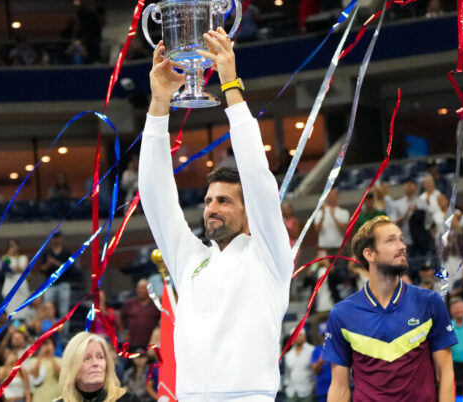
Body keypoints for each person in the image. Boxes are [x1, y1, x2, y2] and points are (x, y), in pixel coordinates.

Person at [138, 28, 293, 401]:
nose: (212, 208)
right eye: (208, 201)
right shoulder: (190, 259)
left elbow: (257, 177)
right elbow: (154, 196)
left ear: (248, 211)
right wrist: (159, 104)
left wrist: (230, 84)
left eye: (225, 201)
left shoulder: (269, 257)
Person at [325, 216, 457, 401]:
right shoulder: (341, 314)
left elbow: (445, 374)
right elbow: (339, 388)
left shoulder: (429, 302)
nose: (402, 246)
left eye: (401, 239)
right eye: (391, 240)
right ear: (369, 254)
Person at [55, 332, 138, 402]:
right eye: (87, 358)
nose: (95, 363)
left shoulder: (129, 399)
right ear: (72, 366)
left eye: (100, 357)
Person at [118, 279, 159, 351]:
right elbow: (119, 317)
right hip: (133, 343)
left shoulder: (155, 304)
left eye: (143, 288)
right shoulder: (130, 303)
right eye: (139, 288)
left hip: (150, 345)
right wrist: (123, 332)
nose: (140, 291)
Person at [0, 239, 32, 320]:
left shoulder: (24, 258)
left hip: (21, 284)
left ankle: (22, 324)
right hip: (10, 284)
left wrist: (21, 270)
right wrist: (8, 254)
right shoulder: (7, 258)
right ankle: (11, 323)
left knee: (22, 306)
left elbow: (29, 276)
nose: (13, 248)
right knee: (10, 306)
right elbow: (4, 268)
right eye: (10, 246)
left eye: (14, 245)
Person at [313, 188, 350, 256]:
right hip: (323, 248)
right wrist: (323, 215)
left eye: (333, 195)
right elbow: (317, 229)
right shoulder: (319, 213)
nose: (331, 198)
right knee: (323, 266)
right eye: (329, 196)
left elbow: (345, 230)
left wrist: (334, 217)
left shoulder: (344, 212)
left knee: (341, 266)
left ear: (337, 197)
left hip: (339, 248)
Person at [283, 329, 315, 402]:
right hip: (291, 392)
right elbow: (287, 373)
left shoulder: (312, 350)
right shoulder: (288, 355)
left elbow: (315, 371)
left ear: (304, 336)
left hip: (307, 390)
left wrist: (314, 385)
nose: (298, 337)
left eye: (300, 335)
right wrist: (287, 386)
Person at [30, 337, 61, 402]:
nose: (46, 346)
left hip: (55, 398)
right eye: (44, 344)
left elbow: (60, 375)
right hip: (38, 399)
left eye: (49, 343)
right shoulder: (33, 361)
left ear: (54, 346)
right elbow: (34, 375)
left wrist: (51, 357)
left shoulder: (60, 360)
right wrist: (41, 355)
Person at [310, 322, 331, 402]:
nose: (325, 337)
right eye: (323, 335)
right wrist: (320, 361)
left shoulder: (337, 348)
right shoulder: (316, 350)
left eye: (327, 334)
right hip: (322, 389)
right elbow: (315, 371)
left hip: (337, 389)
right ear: (319, 336)